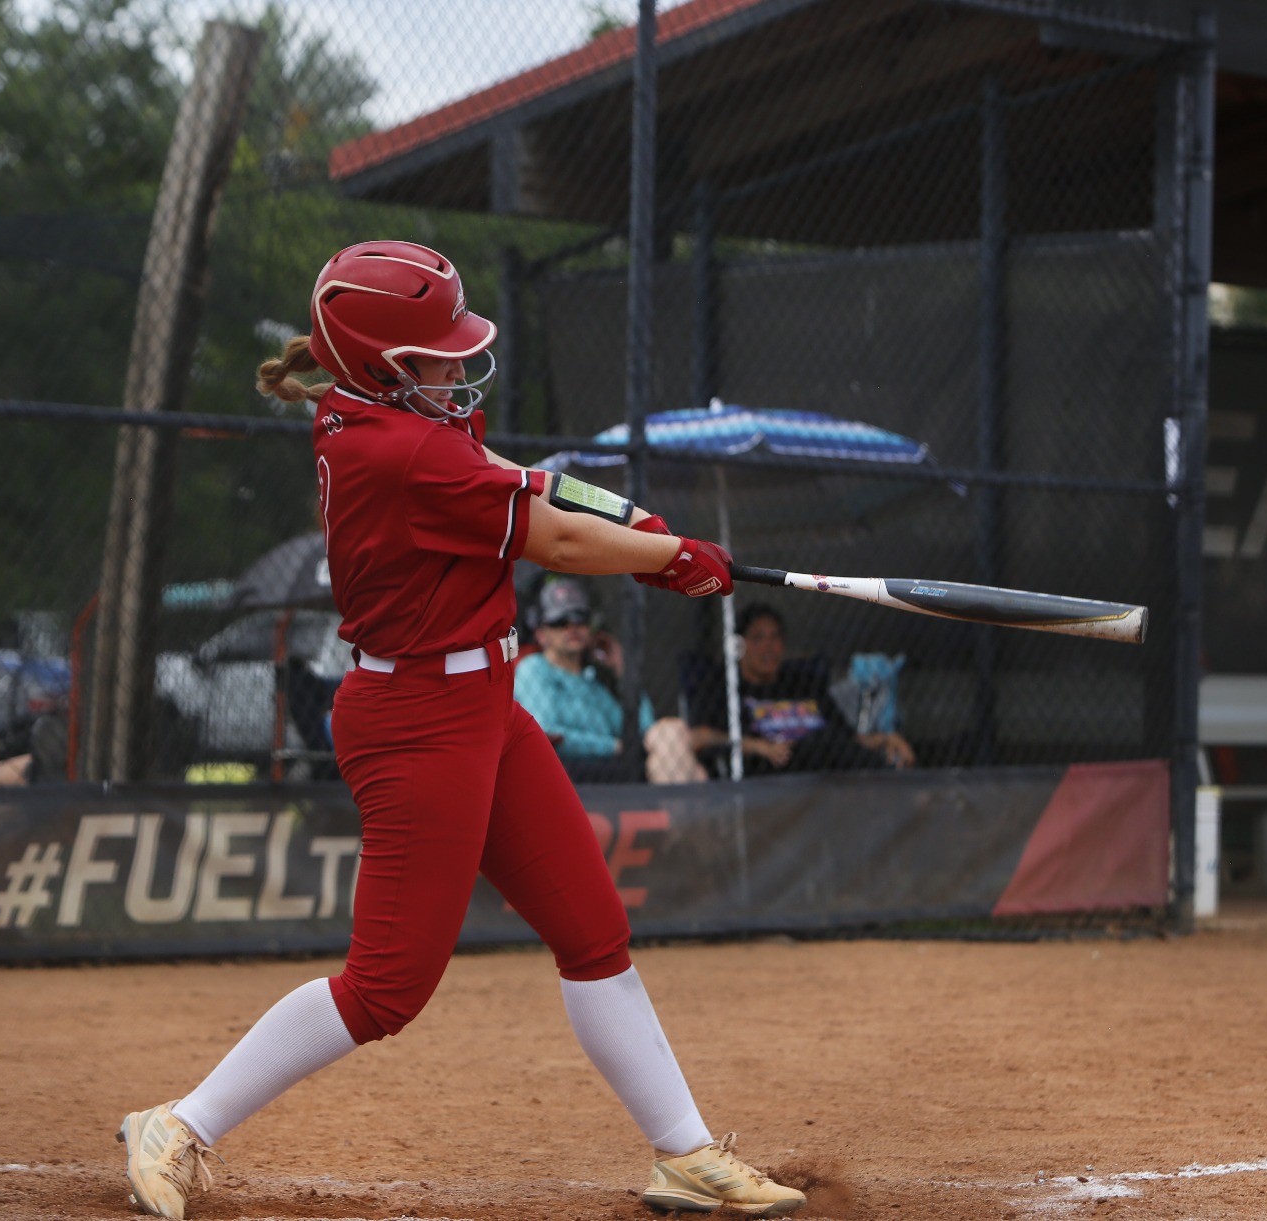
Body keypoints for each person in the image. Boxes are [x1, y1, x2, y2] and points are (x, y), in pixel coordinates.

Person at [114, 241, 804, 1219]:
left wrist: (643, 529)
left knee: (591, 929)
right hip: (414, 725)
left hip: (483, 706)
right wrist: (671, 554)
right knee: (386, 987)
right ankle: (178, 1123)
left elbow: (519, 482)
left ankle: (683, 1154)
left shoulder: (379, 413)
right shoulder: (399, 452)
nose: (452, 365)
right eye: (429, 353)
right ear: (374, 359)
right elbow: (550, 532)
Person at [514, 578, 707, 784]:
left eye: (580, 618)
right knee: (684, 761)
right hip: (562, 771)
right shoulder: (534, 668)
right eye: (560, 621)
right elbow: (547, 733)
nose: (572, 627)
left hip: (613, 770)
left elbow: (646, 728)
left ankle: (686, 811)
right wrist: (612, 746)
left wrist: (622, 670)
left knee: (671, 731)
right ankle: (690, 813)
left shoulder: (594, 679)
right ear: (541, 634)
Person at [687, 603, 915, 776]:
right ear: (739, 646)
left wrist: (886, 739)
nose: (769, 647)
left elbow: (848, 741)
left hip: (829, 766)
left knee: (830, 744)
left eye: (775, 637)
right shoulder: (724, 688)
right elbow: (698, 737)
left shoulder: (805, 683)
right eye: (758, 638)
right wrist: (757, 746)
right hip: (775, 773)